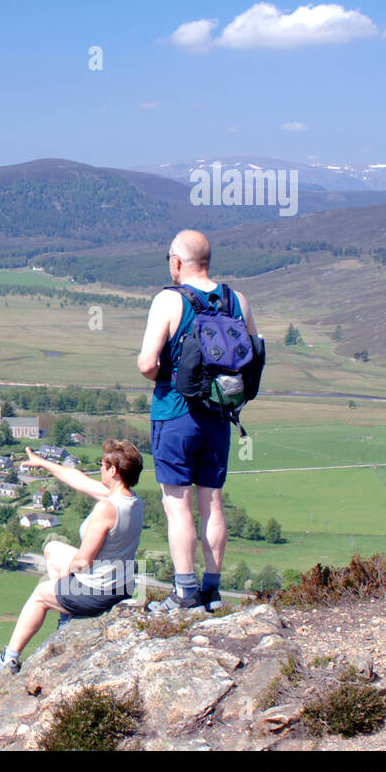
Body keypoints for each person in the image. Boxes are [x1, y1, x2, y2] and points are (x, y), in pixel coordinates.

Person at [137, 229, 257, 613]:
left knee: (177, 504)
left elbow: (146, 364)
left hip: (175, 413)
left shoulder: (168, 300)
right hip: (219, 415)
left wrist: (169, 377)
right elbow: (251, 354)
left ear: (176, 261)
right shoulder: (235, 299)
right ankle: (213, 589)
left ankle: (184, 592)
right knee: (213, 504)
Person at [0, 439, 144, 674]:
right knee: (53, 548)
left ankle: (9, 660)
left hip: (99, 592)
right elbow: (80, 481)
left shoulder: (107, 508)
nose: (100, 468)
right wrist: (42, 463)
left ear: (113, 471)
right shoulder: (133, 500)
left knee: (40, 595)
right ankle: (66, 620)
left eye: (102, 465)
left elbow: (84, 562)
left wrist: (66, 576)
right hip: (121, 585)